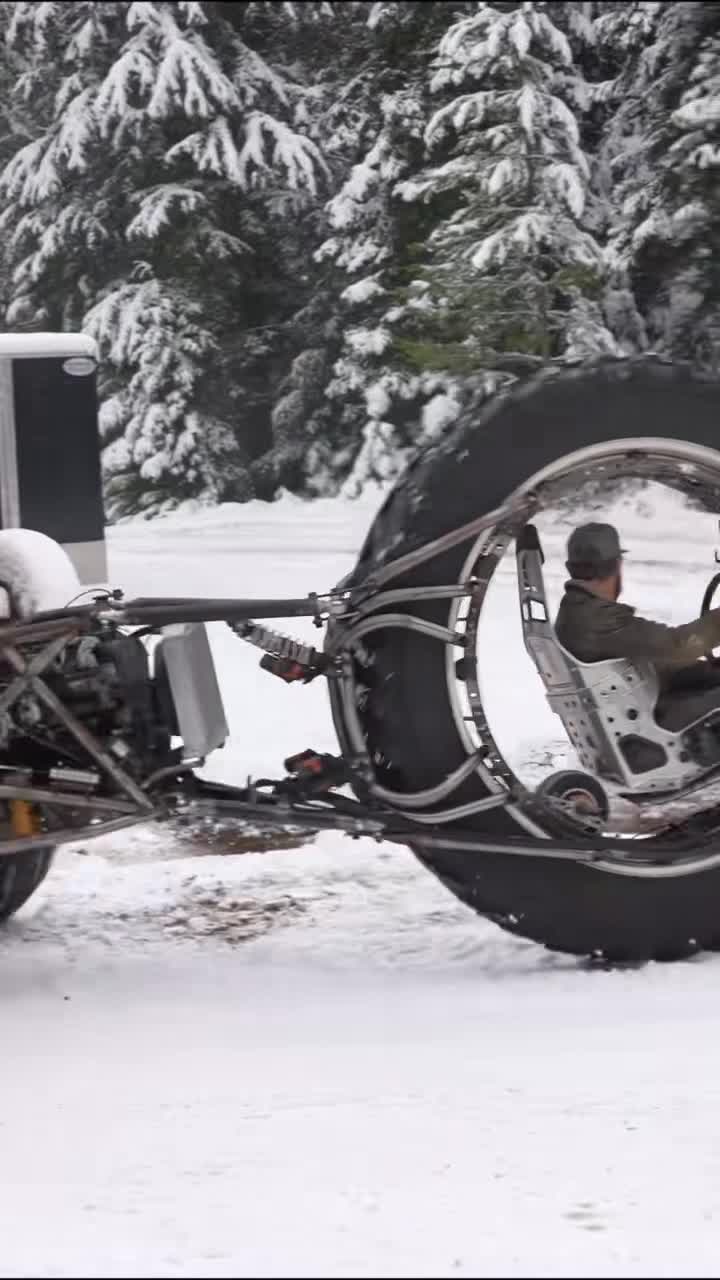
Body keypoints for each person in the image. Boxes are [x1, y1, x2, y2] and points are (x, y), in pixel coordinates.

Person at [554, 522, 720, 730]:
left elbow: (646, 662)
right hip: (651, 724)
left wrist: (703, 670)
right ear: (615, 566)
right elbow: (680, 645)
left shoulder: (574, 611)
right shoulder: (599, 618)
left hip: (633, 711)